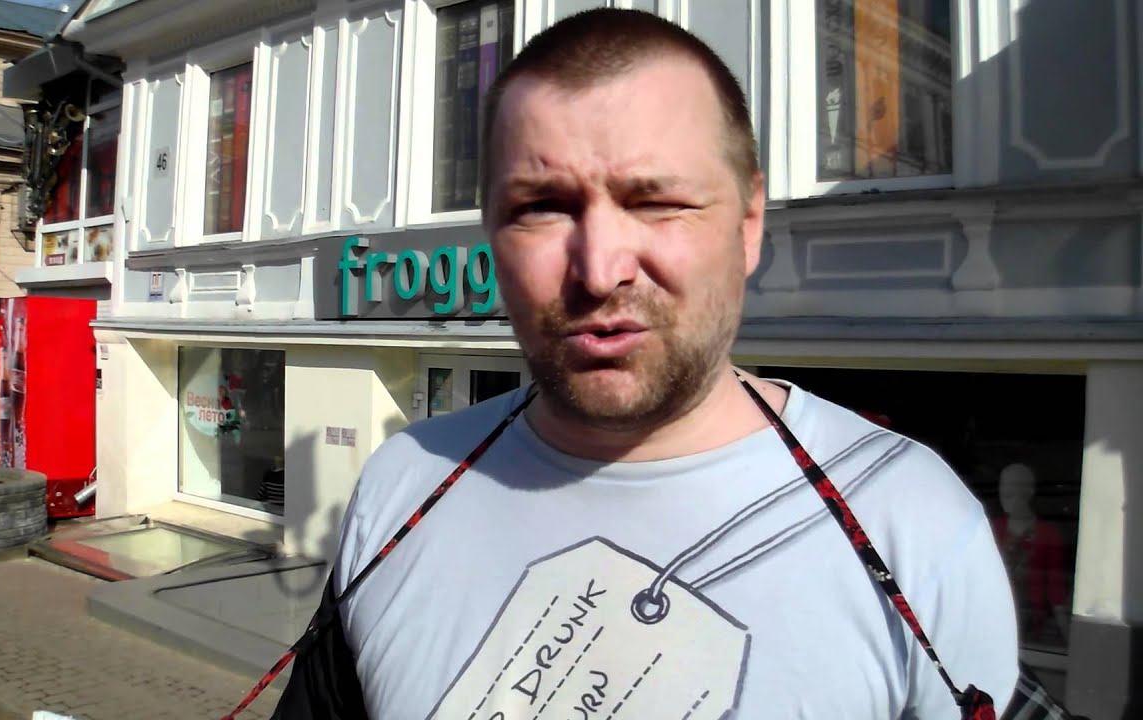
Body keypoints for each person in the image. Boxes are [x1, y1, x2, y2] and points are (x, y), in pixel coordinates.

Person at [274, 9, 1017, 718]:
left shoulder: (911, 521)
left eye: (657, 201)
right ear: (492, 233)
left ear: (748, 223)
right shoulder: (403, 483)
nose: (600, 271)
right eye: (542, 207)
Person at [993, 462, 1071, 645]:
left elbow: (1056, 589)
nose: (1005, 496)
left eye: (1012, 491)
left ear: (1029, 492)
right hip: (993, 616)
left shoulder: (1047, 534)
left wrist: (1069, 640)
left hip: (1030, 623)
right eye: (1003, 489)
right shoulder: (992, 529)